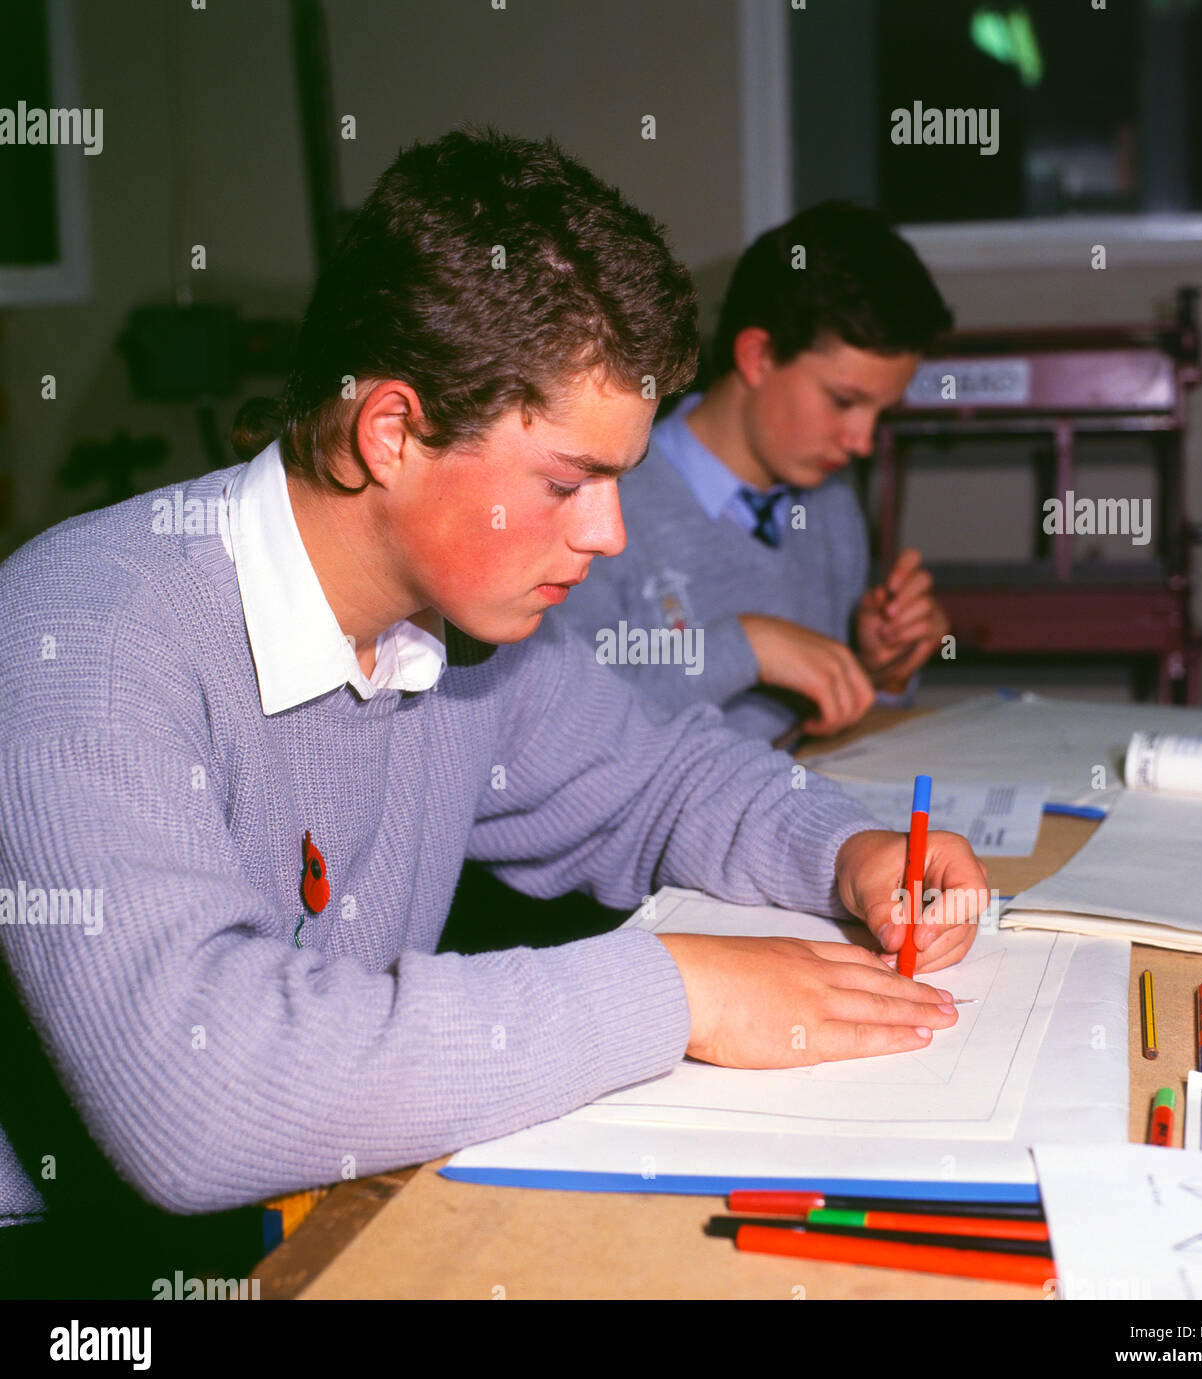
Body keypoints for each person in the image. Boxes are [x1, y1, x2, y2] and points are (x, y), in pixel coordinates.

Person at [0, 132, 985, 1276]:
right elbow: (197, 1091)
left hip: (319, 1210)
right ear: (393, 433)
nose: (607, 533)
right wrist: (678, 990)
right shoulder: (80, 635)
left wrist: (845, 849)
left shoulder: (468, 634)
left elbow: (661, 781)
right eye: (568, 483)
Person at [560, 200, 953, 745]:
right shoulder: (597, 502)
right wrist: (747, 647)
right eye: (843, 401)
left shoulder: (830, 508)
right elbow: (563, 730)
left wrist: (878, 668)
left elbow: (828, 733)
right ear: (758, 356)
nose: (861, 442)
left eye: (880, 413)